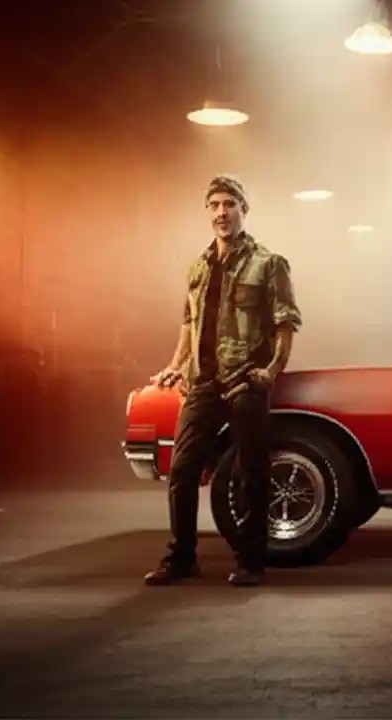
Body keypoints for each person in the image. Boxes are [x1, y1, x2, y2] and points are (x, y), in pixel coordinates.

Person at [143, 176, 302, 587]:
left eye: (229, 203)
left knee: (250, 471)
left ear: (243, 209)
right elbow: (189, 322)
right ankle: (181, 557)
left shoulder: (268, 263)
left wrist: (269, 373)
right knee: (182, 470)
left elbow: (286, 325)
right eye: (214, 204)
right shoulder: (198, 266)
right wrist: (174, 363)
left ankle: (251, 561)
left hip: (245, 379)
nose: (221, 212)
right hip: (204, 382)